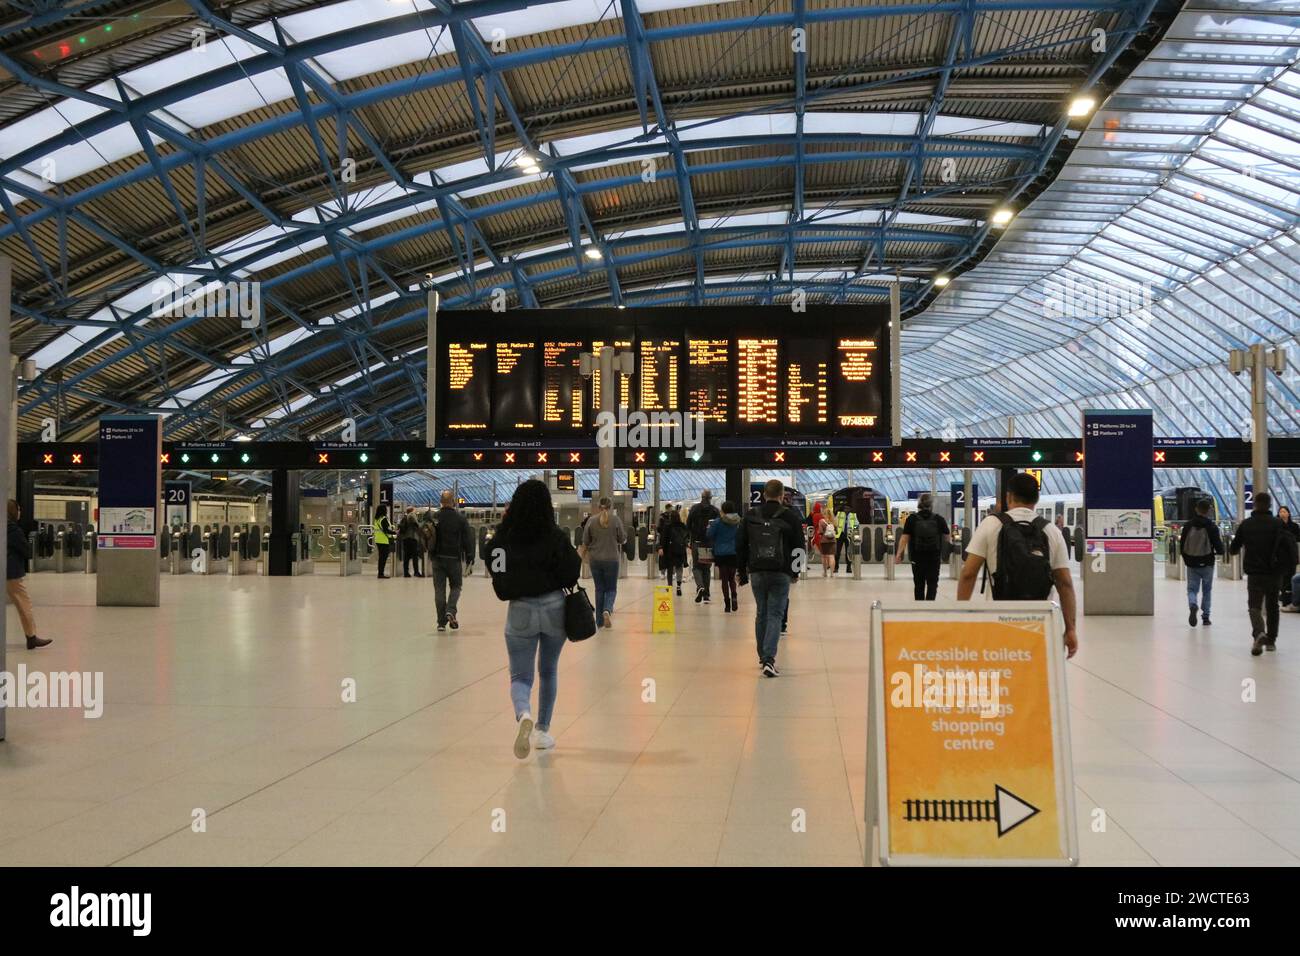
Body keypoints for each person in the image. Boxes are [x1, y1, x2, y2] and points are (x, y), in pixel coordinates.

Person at [488, 479, 581, 758]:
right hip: (554, 608)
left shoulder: (505, 538)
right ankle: (542, 730)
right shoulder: (555, 536)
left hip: (520, 610)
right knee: (548, 671)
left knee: (521, 675)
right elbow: (572, 570)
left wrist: (506, 584)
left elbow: (494, 560)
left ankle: (523, 713)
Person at [956, 473, 1078, 659]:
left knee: (1002, 679)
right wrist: (1070, 629)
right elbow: (1065, 584)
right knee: (1034, 679)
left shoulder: (991, 524)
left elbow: (968, 574)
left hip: (998, 618)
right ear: (1036, 499)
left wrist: (961, 617)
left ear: (1009, 496)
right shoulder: (1051, 530)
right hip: (1039, 622)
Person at [737, 479, 804, 678]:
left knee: (761, 613)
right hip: (781, 571)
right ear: (782, 495)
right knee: (775, 614)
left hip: (757, 570)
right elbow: (799, 546)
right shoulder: (790, 516)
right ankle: (769, 659)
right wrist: (795, 572)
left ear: (764, 495)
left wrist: (742, 571)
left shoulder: (751, 515)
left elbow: (740, 544)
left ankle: (762, 656)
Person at [1229, 491, 1295, 656]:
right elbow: (1289, 545)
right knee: (1273, 607)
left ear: (1255, 504)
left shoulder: (1247, 524)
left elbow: (1234, 549)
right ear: (1270, 505)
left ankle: (1259, 633)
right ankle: (1271, 641)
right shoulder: (1278, 524)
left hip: (1255, 572)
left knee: (1254, 606)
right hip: (1274, 572)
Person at [7, 501, 50, 650]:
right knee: (24, 604)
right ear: (13, 511)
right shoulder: (13, 530)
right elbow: (26, 551)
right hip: (11, 573)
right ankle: (31, 637)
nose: (20, 513)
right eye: (18, 510)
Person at [431, 490, 472, 631]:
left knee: (439, 590)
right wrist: (469, 557)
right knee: (456, 586)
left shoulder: (435, 517)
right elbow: (467, 539)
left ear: (441, 501)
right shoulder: (460, 518)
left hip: (437, 558)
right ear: (453, 502)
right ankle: (450, 610)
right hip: (454, 558)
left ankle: (441, 623)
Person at [582, 496, 625, 628]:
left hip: (595, 560)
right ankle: (607, 610)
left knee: (599, 589)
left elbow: (585, 540)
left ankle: (599, 621)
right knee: (611, 589)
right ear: (611, 507)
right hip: (611, 559)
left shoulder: (591, 520)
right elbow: (622, 538)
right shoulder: (616, 520)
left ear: (598, 507)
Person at [1180, 498, 1224, 626]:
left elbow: (1182, 545)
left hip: (1192, 563)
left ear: (1196, 509)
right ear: (1208, 511)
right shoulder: (1211, 526)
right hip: (1207, 563)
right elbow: (1219, 547)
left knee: (1192, 589)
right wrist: (1219, 552)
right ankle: (1206, 617)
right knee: (1207, 590)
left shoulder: (1188, 525)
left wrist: (1187, 559)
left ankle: (1193, 604)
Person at [897, 492, 950, 600]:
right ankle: (929, 607)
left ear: (919, 504)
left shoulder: (911, 519)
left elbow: (904, 539)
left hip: (917, 557)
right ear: (931, 505)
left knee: (918, 584)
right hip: (934, 558)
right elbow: (947, 538)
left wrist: (898, 554)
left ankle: (919, 608)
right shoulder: (939, 519)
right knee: (932, 584)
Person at [707, 501, 741, 612]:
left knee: (724, 580)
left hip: (721, 553)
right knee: (732, 578)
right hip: (734, 552)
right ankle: (734, 596)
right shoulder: (738, 521)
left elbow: (709, 535)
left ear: (723, 510)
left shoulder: (718, 522)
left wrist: (709, 527)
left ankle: (727, 604)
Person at [686, 491, 720, 604]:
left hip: (696, 542)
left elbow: (688, 525)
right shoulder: (715, 510)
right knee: (706, 568)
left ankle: (700, 587)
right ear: (710, 498)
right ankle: (706, 595)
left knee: (696, 567)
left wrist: (690, 539)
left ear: (702, 497)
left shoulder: (694, 509)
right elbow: (718, 526)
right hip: (709, 543)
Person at [658, 508, 688, 595]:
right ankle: (678, 586)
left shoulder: (668, 526)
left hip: (670, 551)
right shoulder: (683, 526)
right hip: (680, 550)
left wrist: (661, 547)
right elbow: (686, 537)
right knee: (679, 568)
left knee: (670, 569)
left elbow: (663, 539)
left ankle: (670, 586)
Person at [1278, 506, 1300, 607]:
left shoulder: (1294, 526)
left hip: (1291, 554)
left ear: (1288, 513)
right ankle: (1284, 595)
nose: (1282, 513)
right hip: (1281, 555)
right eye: (1280, 511)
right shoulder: (1276, 525)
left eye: (1284, 511)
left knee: (1290, 575)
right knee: (1282, 576)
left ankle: (1288, 595)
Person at [398, 507, 423, 578]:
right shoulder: (412, 515)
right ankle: (416, 572)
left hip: (405, 538)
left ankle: (406, 572)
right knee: (415, 556)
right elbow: (417, 525)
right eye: (415, 510)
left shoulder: (405, 517)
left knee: (406, 556)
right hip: (412, 538)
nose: (415, 511)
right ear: (412, 510)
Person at [835, 506, 859, 575]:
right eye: (845, 509)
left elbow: (856, 524)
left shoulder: (853, 515)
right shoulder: (839, 514)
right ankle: (836, 567)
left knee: (848, 552)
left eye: (848, 509)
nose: (846, 510)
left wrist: (854, 532)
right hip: (840, 535)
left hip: (849, 535)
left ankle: (849, 567)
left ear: (850, 509)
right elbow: (835, 522)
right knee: (837, 552)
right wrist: (835, 529)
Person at [372, 503, 394, 579]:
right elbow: (386, 530)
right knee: (383, 558)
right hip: (384, 540)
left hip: (378, 540)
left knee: (381, 557)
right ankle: (381, 574)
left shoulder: (377, 519)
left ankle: (380, 573)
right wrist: (395, 532)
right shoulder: (383, 519)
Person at [816, 502, 838, 576]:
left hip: (824, 541)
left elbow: (821, 532)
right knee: (832, 556)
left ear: (824, 513)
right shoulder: (834, 521)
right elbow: (837, 531)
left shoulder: (821, 521)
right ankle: (832, 573)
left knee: (824, 556)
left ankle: (825, 573)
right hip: (833, 541)